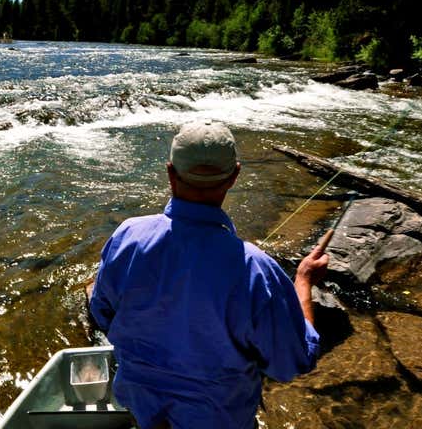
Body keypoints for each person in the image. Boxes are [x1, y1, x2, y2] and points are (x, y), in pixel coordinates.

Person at [89, 121, 330, 429]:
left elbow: (102, 313)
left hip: (143, 410)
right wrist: (303, 283)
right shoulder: (257, 268)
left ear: (171, 173)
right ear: (234, 176)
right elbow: (294, 362)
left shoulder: (127, 236)